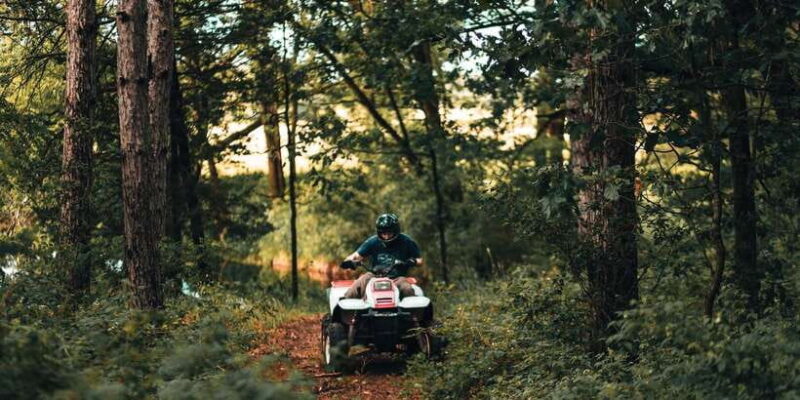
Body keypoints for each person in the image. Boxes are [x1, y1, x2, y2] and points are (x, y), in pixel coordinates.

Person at [340, 213, 422, 299]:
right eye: (383, 233)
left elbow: (420, 260)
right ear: (379, 232)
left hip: (397, 278)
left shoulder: (406, 241)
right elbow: (357, 255)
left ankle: (415, 311)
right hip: (375, 275)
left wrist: (412, 261)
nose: (386, 236)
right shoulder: (373, 241)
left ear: (395, 231)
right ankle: (343, 306)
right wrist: (349, 261)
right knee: (361, 281)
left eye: (389, 233)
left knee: (407, 288)